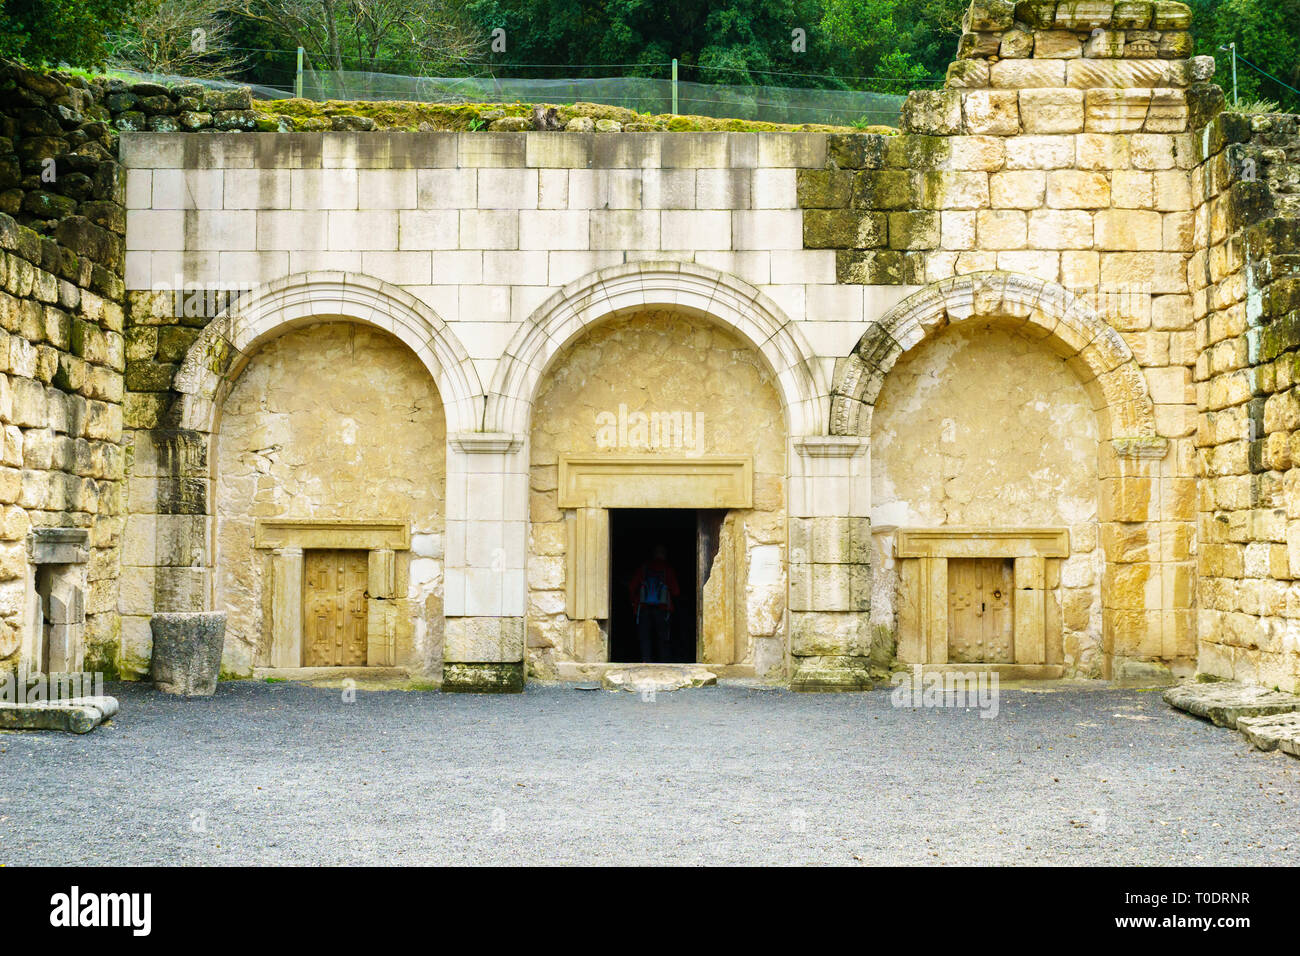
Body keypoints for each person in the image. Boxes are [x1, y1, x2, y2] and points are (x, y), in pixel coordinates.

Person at [628, 544, 681, 663]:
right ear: (664, 555)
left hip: (644, 609)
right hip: (663, 609)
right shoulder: (668, 569)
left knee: (645, 637)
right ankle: (663, 663)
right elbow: (676, 591)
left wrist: (634, 603)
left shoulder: (644, 568)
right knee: (663, 638)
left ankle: (646, 661)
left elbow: (632, 587)